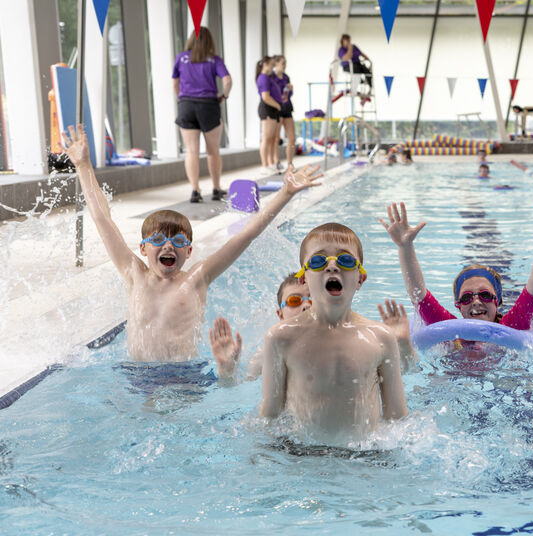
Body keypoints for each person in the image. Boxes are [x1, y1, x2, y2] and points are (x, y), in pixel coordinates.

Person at [61, 126, 324, 362]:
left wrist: (285, 194)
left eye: (177, 241)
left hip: (185, 378)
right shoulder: (134, 273)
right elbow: (101, 219)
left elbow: (246, 235)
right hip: (138, 377)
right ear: (143, 249)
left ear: (188, 251)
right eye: (157, 240)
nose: (167, 247)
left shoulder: (197, 279)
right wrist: (83, 166)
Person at [259, 223, 407, 445]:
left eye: (345, 261)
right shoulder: (281, 338)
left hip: (364, 457)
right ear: (304, 279)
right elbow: (269, 417)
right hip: (303, 457)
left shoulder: (380, 338)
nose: (332, 267)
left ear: (360, 279)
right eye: (318, 261)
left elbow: (397, 419)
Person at [380, 193, 533, 348]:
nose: (475, 301)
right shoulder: (448, 331)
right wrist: (405, 247)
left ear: (498, 301)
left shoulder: (510, 326)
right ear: (458, 305)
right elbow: (418, 295)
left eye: (484, 295)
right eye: (466, 297)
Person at [211, 276, 417, 383]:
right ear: (280, 315)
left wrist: (403, 346)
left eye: (312, 299)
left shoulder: (356, 340)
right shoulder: (268, 352)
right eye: (294, 300)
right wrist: (227, 372)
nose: (305, 305)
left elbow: (407, 375)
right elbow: (238, 391)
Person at [172, 26, 232, 203]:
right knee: (213, 151)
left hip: (186, 105)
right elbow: (227, 80)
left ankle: (195, 191)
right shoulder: (214, 60)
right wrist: (224, 96)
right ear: (209, 41)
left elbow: (174, 83)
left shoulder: (181, 58)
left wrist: (182, 100)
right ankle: (216, 188)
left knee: (191, 152)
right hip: (208, 105)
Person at [256, 56, 282, 174]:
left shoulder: (268, 77)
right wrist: (277, 105)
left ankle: (271, 163)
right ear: (265, 64)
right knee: (266, 139)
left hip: (272, 109)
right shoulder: (263, 78)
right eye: (272, 64)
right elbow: (265, 97)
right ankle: (264, 165)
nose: (273, 67)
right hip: (268, 109)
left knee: (271, 139)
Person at [273, 55, 296, 172]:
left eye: (285, 63)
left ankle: (290, 163)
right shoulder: (272, 77)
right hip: (277, 109)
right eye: (282, 63)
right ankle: (276, 161)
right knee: (276, 138)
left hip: (287, 108)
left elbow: (288, 94)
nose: (284, 65)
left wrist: (291, 90)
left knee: (292, 138)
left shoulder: (286, 77)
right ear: (276, 64)